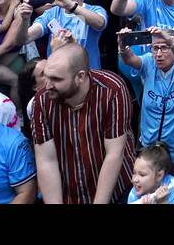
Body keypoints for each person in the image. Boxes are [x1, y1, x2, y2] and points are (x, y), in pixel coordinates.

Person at [31, 44, 136, 204]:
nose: (48, 86)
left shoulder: (112, 90)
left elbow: (114, 154)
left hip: (116, 191)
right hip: (69, 194)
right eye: (47, 76)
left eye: (57, 79)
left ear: (80, 77)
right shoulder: (42, 100)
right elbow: (46, 160)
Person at [117, 26, 174, 204]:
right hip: (149, 149)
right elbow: (131, 60)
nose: (158, 53)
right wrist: (123, 46)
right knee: (146, 199)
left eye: (164, 47)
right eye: (155, 48)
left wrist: (170, 40)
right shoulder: (149, 62)